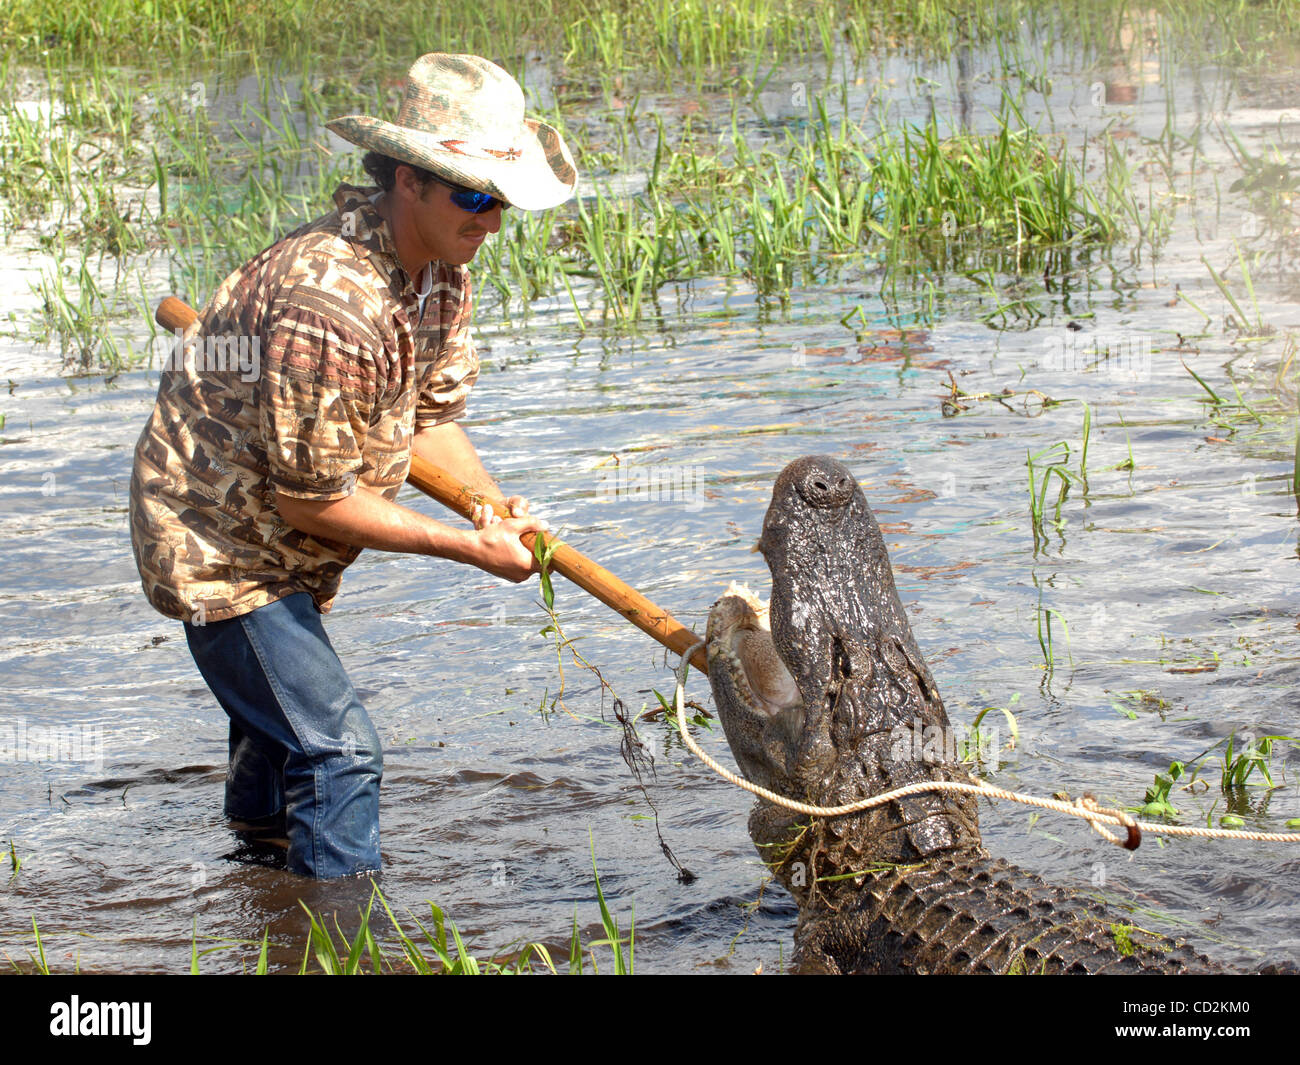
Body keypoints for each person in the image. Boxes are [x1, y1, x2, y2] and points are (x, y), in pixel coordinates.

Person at [128, 54, 578, 878]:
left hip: (286, 530)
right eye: (473, 196)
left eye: (501, 200)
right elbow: (313, 504)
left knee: (279, 740)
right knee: (340, 753)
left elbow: (431, 422)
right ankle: (343, 946)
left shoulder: (442, 276)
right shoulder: (331, 303)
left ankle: (256, 878)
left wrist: (489, 509)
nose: (492, 220)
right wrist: (468, 551)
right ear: (407, 181)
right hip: (221, 544)